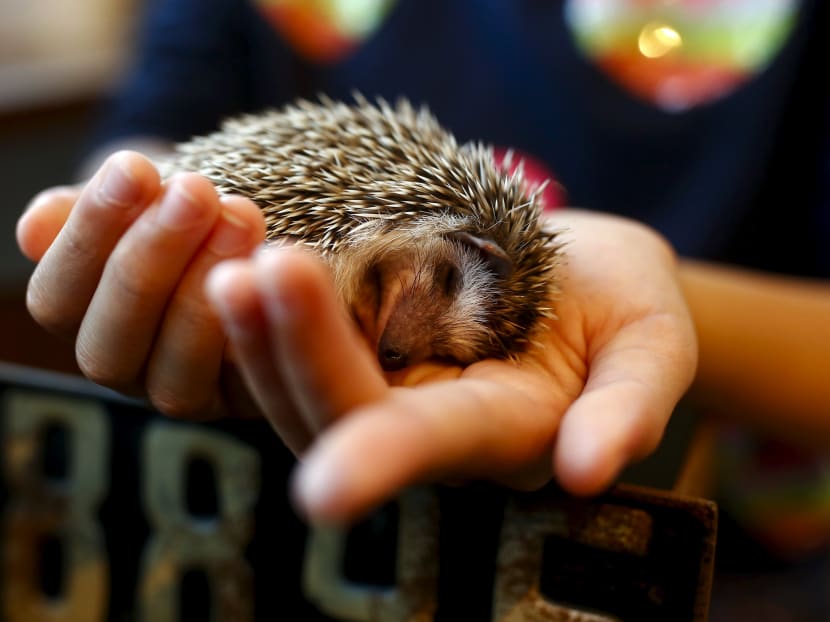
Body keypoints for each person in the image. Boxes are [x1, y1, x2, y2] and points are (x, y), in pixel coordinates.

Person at [15, 0, 830, 524]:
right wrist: (147, 216)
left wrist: (683, 310)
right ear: (456, 244)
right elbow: (164, 115)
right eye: (438, 287)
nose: (402, 349)